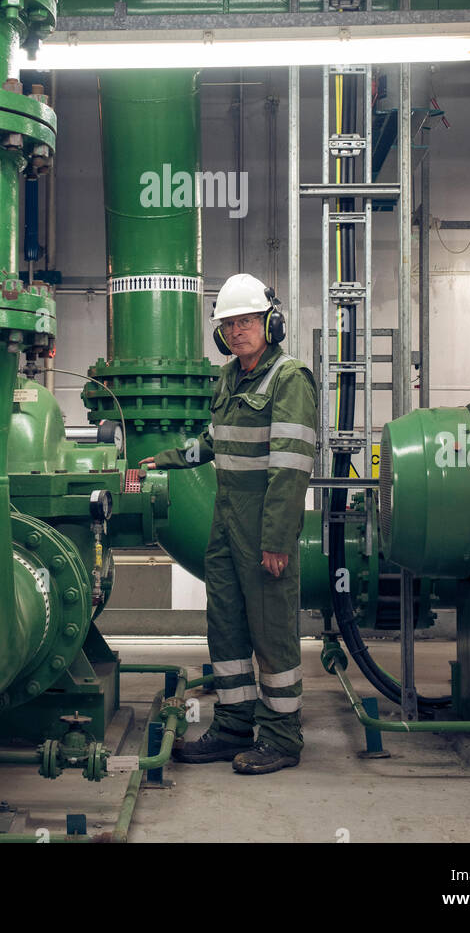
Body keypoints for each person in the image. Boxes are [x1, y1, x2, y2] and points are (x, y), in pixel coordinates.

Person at [139, 273, 317, 775]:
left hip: (264, 522)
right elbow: (213, 442)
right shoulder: (228, 378)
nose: (237, 331)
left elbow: (291, 466)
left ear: (270, 323)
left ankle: (281, 737)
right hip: (225, 522)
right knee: (226, 627)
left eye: (247, 321)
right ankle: (234, 728)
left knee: (272, 631)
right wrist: (167, 458)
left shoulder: (288, 379)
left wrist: (277, 539)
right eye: (229, 324)